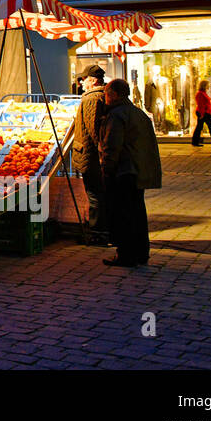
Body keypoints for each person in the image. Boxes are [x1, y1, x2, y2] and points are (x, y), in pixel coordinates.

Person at [99, 77, 162, 268]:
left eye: (107, 94)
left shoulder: (117, 115)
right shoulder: (137, 113)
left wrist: (107, 170)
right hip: (136, 170)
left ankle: (126, 254)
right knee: (137, 212)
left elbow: (112, 146)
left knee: (124, 214)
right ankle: (141, 252)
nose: (105, 98)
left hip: (124, 171)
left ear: (115, 95)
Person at [72, 64, 110, 246]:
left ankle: (98, 233)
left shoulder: (92, 99)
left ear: (93, 81)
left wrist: (102, 156)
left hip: (91, 156)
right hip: (94, 156)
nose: (81, 82)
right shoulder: (102, 97)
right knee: (99, 194)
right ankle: (103, 230)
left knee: (95, 195)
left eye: (84, 79)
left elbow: (95, 131)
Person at [191, 79, 211, 147]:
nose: (209, 86)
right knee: (208, 127)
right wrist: (202, 114)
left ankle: (195, 142)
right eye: (208, 85)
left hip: (205, 112)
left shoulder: (203, 93)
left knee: (202, 127)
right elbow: (201, 104)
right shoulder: (200, 94)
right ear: (204, 85)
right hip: (203, 112)